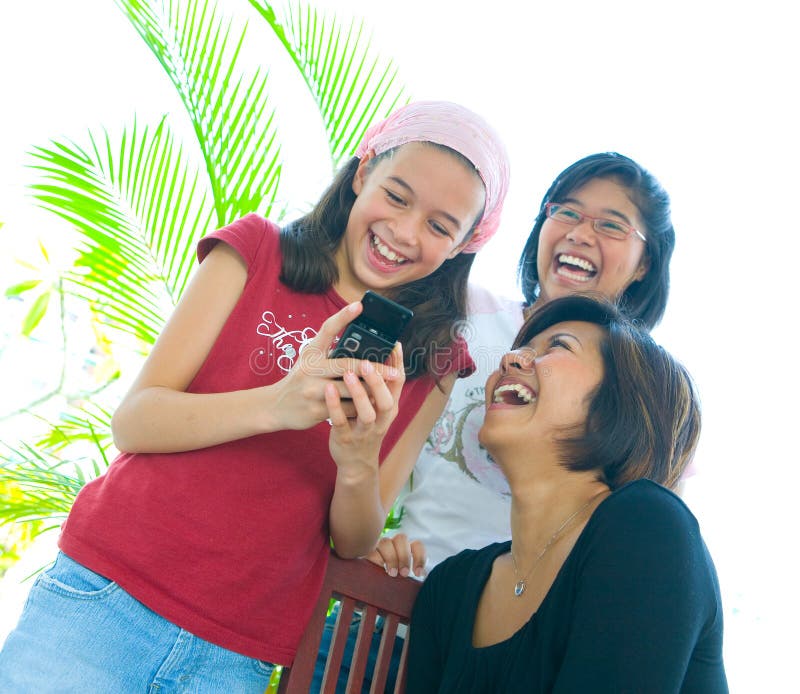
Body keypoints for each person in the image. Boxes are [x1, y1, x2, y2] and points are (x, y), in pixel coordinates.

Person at [0, 101, 510, 692]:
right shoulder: (255, 251)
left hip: (236, 653)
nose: (404, 232)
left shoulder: (435, 365)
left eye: (440, 225)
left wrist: (357, 461)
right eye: (396, 195)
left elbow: (356, 539)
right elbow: (135, 422)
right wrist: (278, 404)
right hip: (105, 596)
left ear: (466, 242)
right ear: (363, 171)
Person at [314, 152, 678, 690]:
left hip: (515, 660)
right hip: (386, 617)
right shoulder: (459, 315)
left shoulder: (650, 403)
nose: (580, 233)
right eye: (567, 212)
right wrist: (369, 539)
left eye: (610, 224)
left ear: (646, 262)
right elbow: (369, 452)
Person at [407, 295, 727, 692]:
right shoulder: (450, 587)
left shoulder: (648, 527)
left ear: (618, 404)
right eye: (518, 350)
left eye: (557, 346)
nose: (511, 360)